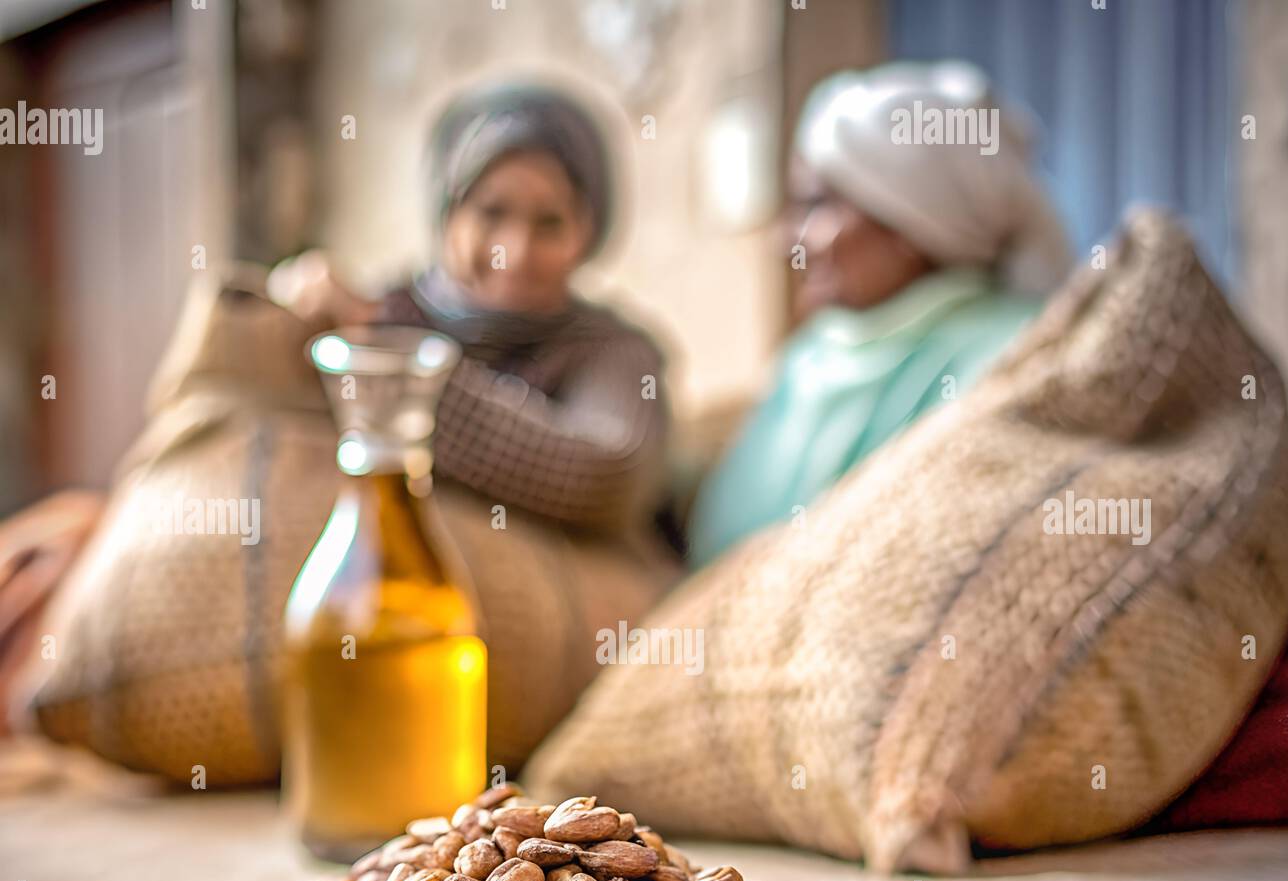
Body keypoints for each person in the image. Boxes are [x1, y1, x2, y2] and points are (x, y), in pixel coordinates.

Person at [688, 62, 1076, 568]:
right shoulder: (817, 353)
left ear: (910, 228)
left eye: (816, 206)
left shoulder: (1013, 358)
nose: (789, 241)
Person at [276, 82, 668, 536]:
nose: (515, 252)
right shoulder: (376, 312)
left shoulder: (614, 352)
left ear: (587, 234)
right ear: (448, 215)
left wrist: (388, 367)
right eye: (491, 212)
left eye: (550, 223)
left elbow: (606, 476)